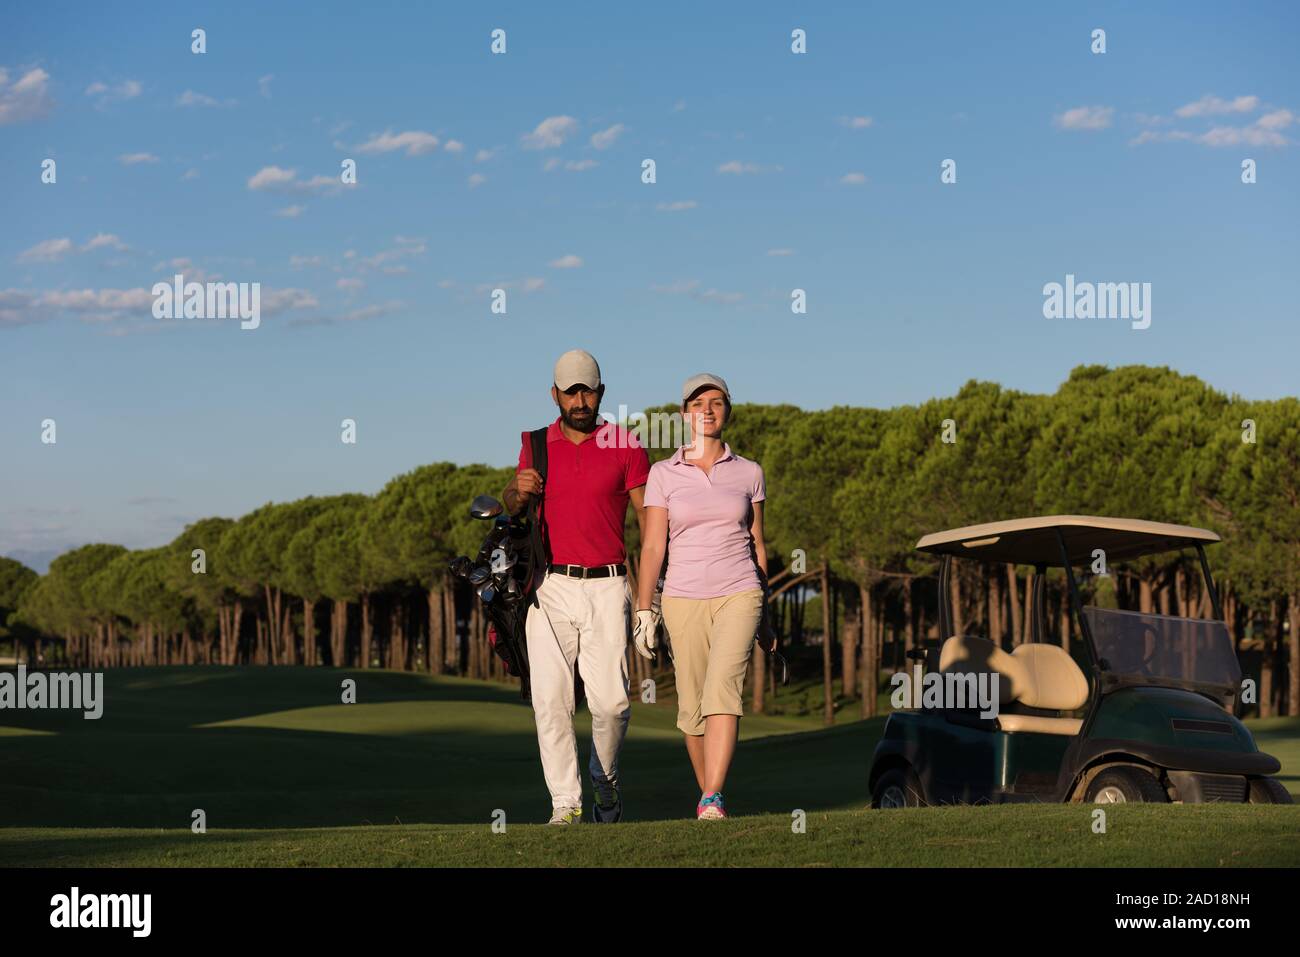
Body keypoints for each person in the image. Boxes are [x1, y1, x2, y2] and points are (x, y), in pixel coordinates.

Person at [502, 349, 650, 825]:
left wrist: (653, 592)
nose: (580, 400)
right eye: (571, 392)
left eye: (588, 390)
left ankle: (604, 783)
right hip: (549, 586)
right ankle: (564, 804)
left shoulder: (626, 445)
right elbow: (511, 504)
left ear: (601, 392)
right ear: (555, 395)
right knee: (551, 701)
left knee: (613, 703)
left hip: (609, 585)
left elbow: (651, 521)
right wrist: (516, 493)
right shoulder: (535, 444)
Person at [634, 373, 768, 820]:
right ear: (683, 414)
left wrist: (765, 612)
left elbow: (758, 543)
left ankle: (713, 795)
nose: (707, 410)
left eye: (716, 402)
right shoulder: (662, 474)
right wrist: (643, 607)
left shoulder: (749, 472)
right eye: (698, 403)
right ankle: (708, 796)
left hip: (740, 591)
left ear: (728, 410)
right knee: (691, 707)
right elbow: (653, 546)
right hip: (681, 597)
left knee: (723, 692)